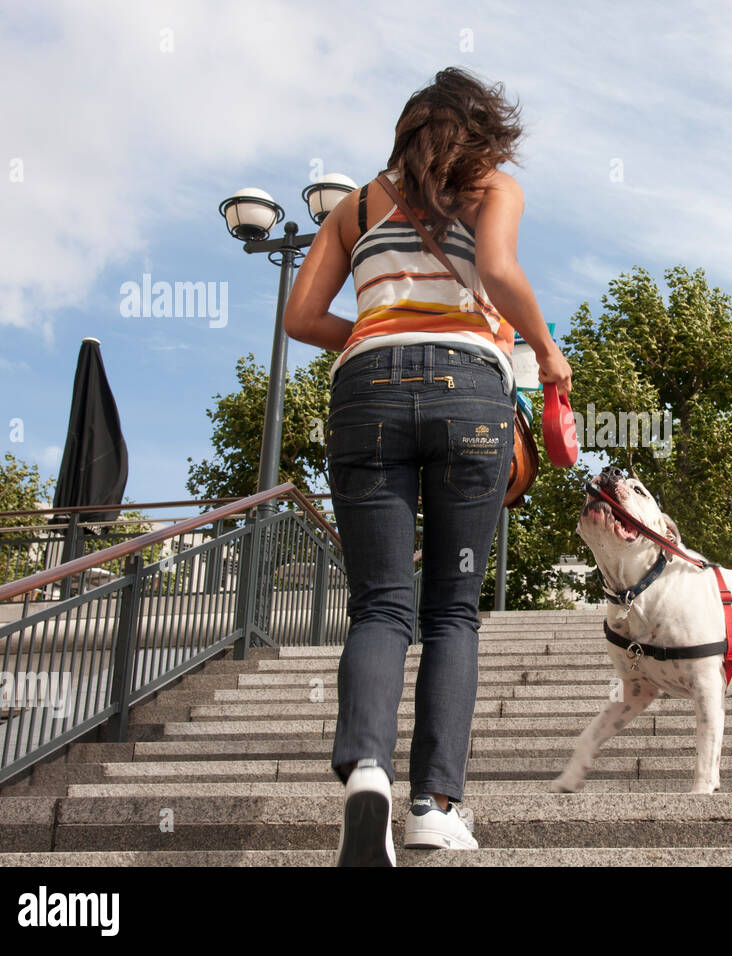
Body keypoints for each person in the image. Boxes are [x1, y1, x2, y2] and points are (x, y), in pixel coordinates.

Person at [283, 67, 571, 865]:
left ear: (406, 133)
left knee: (380, 605)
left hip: (366, 395)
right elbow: (504, 274)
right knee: (451, 610)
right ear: (483, 131)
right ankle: (434, 806)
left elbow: (301, 317)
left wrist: (377, 336)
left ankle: (366, 771)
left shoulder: (355, 207)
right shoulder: (493, 187)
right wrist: (547, 353)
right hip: (471, 394)